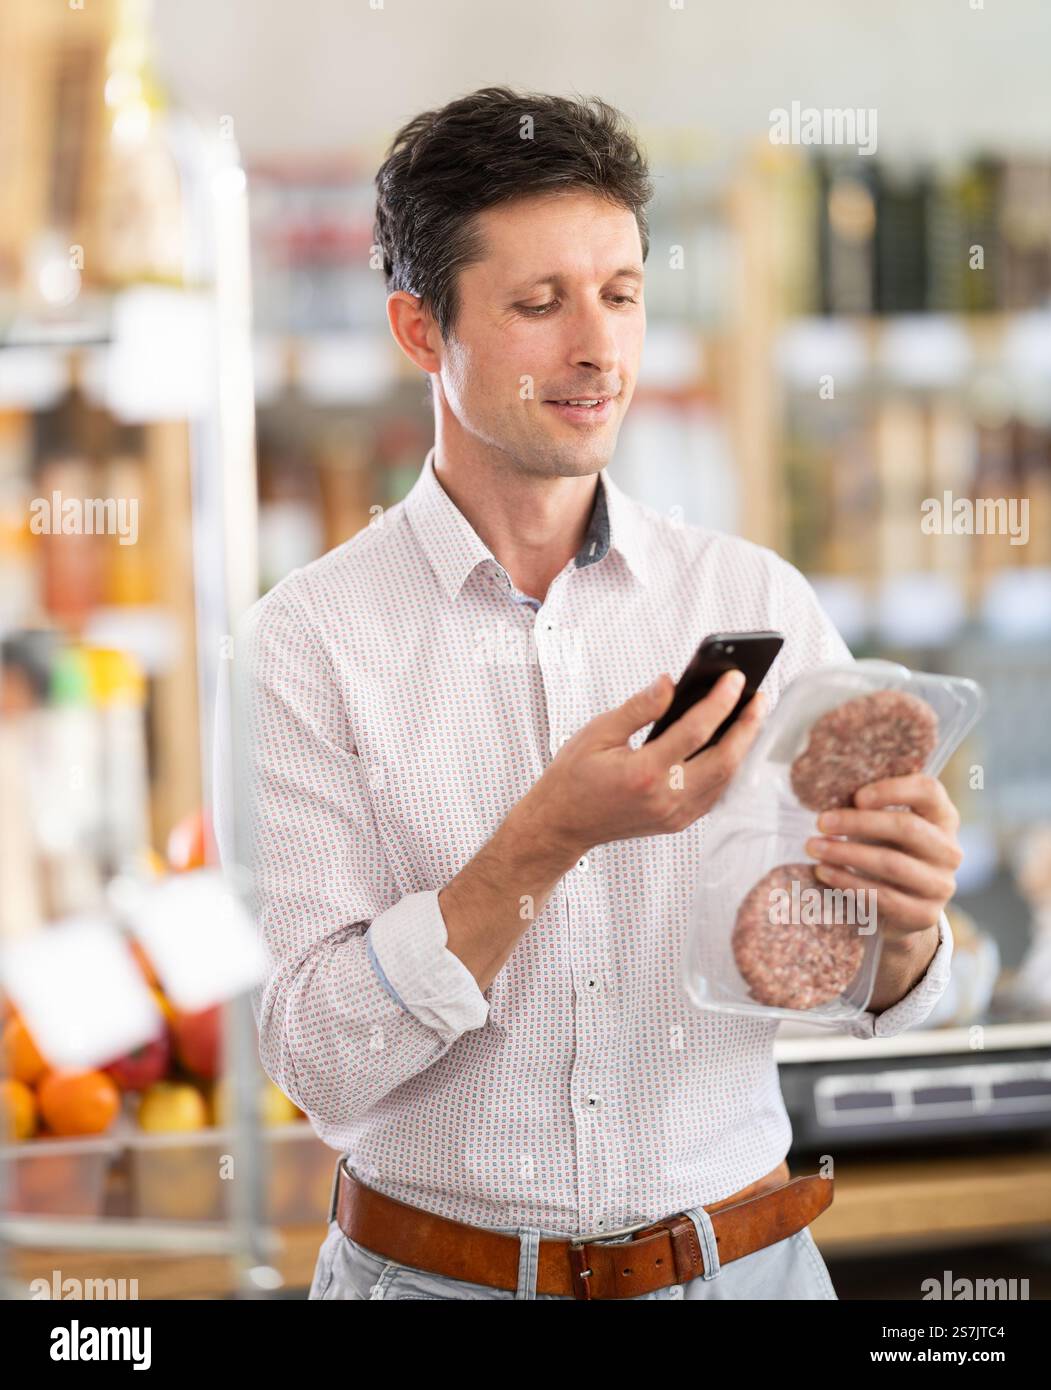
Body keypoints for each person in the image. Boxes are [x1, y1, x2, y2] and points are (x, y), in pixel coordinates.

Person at [230, 87, 961, 1300]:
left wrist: (903, 921)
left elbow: (845, 986)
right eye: (538, 303)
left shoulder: (754, 599)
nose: (599, 347)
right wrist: (542, 840)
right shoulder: (302, 644)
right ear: (421, 331)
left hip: (746, 1271)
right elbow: (315, 1056)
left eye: (620, 293)